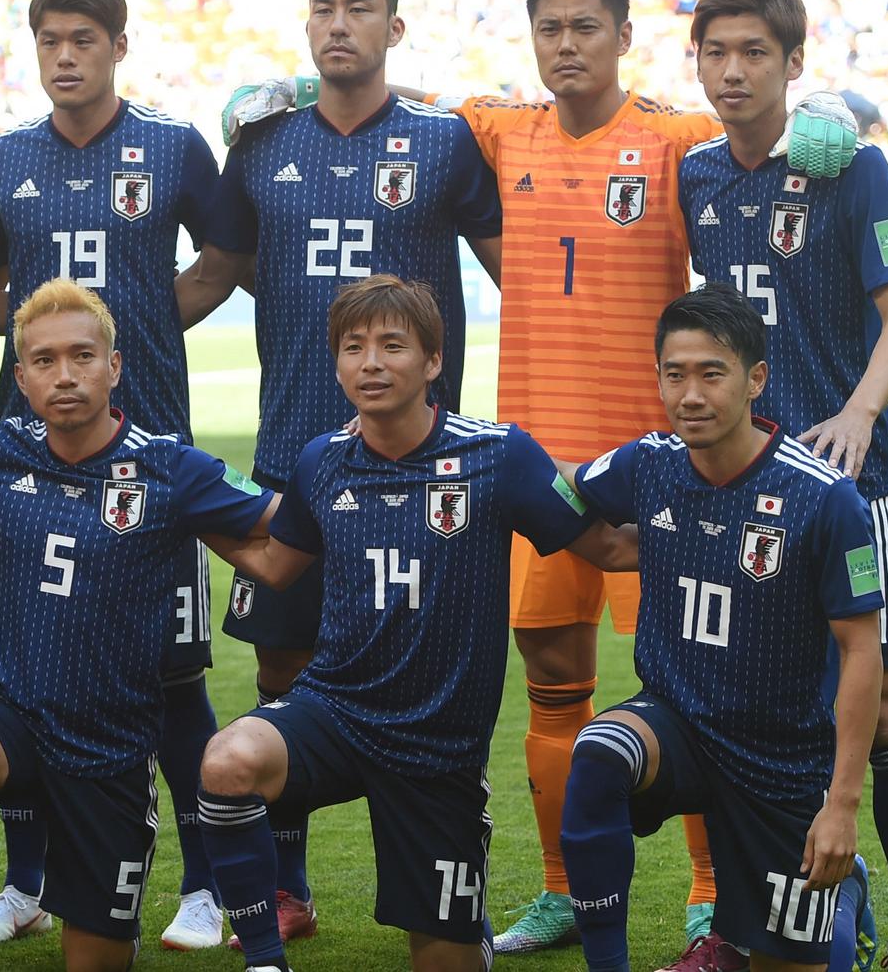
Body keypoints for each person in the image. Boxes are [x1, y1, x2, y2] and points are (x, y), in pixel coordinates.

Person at [217, 0, 862, 961]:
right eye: (550, 30)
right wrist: (307, 86)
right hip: (541, 475)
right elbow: (409, 100)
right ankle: (564, 885)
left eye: (585, 29)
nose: (566, 46)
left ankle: (706, 899)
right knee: (555, 684)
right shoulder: (499, 127)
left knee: (704, 688)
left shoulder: (675, 137)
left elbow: (756, 120)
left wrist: (832, 110)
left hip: (665, 470)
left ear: (622, 38)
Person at [173, 0, 504, 941]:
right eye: (323, 8)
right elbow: (212, 271)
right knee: (281, 670)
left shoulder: (446, 142)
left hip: (417, 473)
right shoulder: (261, 144)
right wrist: (100, 342)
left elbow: (519, 274)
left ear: (392, 27)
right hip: (295, 456)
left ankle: (451, 869)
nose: (338, 24)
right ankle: (285, 882)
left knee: (434, 673)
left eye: (359, 8)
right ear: (305, 23)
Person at [198, 274, 635, 972]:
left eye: (392, 345)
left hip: (438, 746)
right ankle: (263, 959)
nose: (370, 362)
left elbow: (611, 545)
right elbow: (275, 564)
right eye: (353, 347)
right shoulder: (323, 460)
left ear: (433, 361)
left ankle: (470, 933)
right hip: (335, 712)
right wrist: (187, 507)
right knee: (227, 762)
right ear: (337, 362)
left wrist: (711, 521)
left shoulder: (499, 457)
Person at [0, 0, 229, 951]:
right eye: (49, 41)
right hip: (32, 467)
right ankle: (27, 880)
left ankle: (204, 884)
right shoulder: (5, 159)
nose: (65, 57)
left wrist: (148, 327)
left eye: (83, 39)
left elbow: (222, 260)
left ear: (119, 45)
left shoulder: (170, 146)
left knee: (173, 676)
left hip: (148, 463)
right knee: (30, 673)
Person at [679, 0, 888, 972]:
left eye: (756, 53)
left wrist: (860, 413)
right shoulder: (698, 174)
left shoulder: (852, 170)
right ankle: (759, 924)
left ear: (794, 64)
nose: (733, 70)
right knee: (756, 710)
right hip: (745, 491)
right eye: (717, 51)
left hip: (847, 485)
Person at [0, 279, 278, 972]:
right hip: (9, 721)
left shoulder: (171, 469)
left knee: (96, 957)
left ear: (115, 366)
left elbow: (277, 530)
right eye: (44, 360)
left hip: (109, 747)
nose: (65, 374)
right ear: (20, 377)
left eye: (82, 355)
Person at [559, 283, 884, 972]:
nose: (691, 394)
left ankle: (844, 896)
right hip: (677, 725)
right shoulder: (649, 462)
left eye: (712, 373)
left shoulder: (826, 498)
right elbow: (570, 494)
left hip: (779, 757)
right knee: (599, 750)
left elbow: (862, 649)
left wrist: (843, 805)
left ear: (755, 379)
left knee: (792, 959)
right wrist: (497, 460)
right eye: (674, 374)